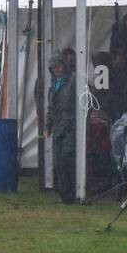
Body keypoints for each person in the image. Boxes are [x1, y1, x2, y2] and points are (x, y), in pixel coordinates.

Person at [45, 53, 77, 204]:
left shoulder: (74, 81)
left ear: (64, 66)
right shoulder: (54, 83)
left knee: (66, 160)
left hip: (70, 127)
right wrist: (47, 126)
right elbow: (50, 108)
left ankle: (70, 195)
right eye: (54, 68)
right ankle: (64, 195)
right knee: (58, 163)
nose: (57, 70)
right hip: (58, 128)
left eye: (59, 66)